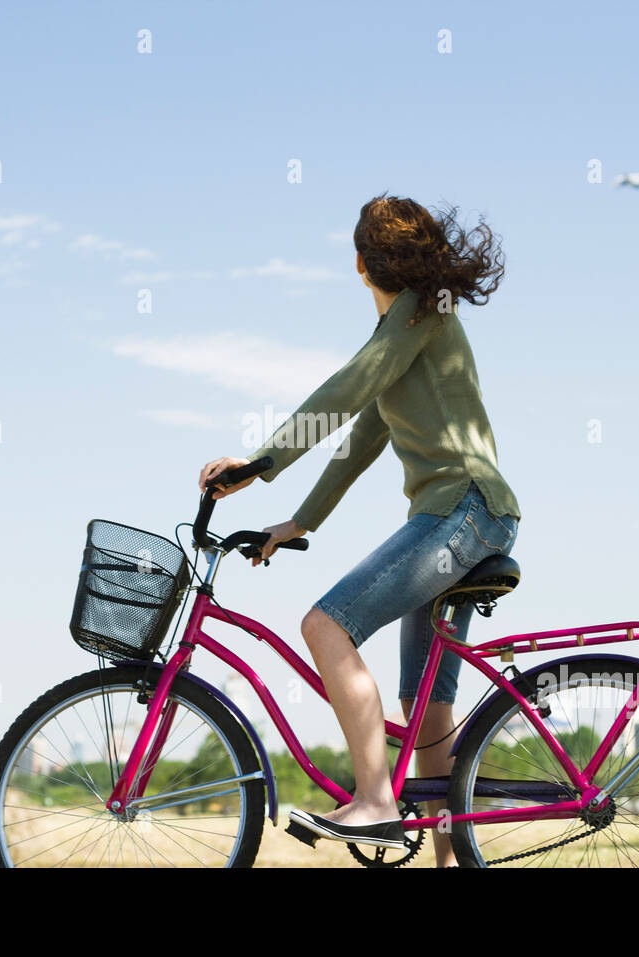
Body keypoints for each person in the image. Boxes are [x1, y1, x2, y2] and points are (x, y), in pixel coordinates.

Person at [197, 193, 521, 867]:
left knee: (326, 624)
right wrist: (296, 523)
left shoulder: (418, 313)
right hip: (473, 514)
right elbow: (361, 438)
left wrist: (261, 463)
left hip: (461, 510)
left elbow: (346, 389)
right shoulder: (409, 331)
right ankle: (450, 858)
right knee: (424, 702)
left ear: (358, 264)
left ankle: (374, 798)